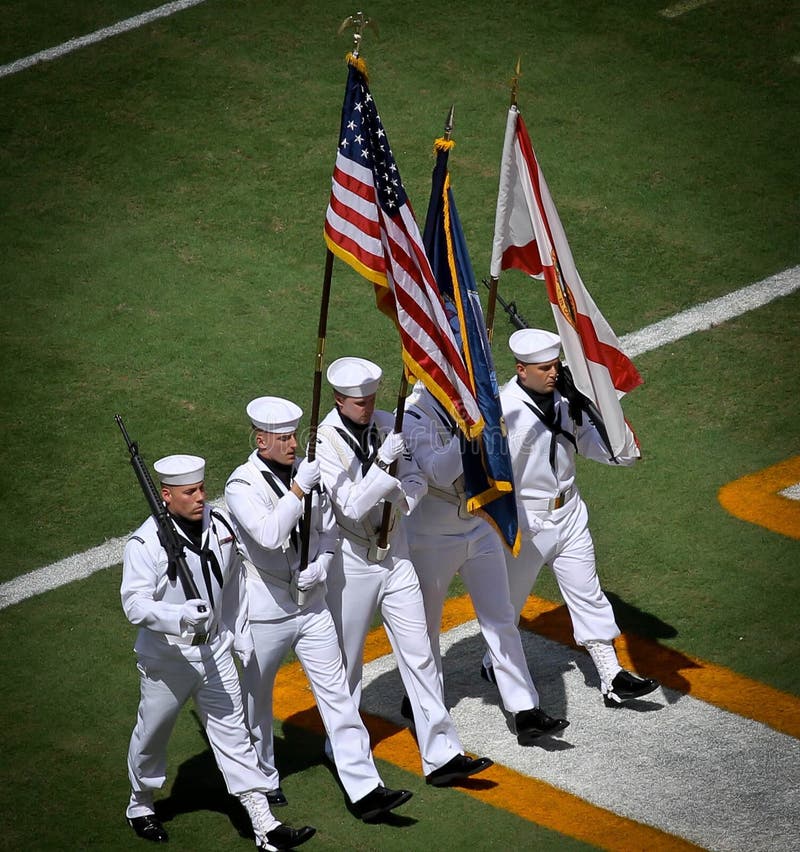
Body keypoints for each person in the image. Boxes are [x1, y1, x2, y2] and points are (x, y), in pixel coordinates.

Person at [224, 396, 412, 822]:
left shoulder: (309, 476)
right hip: (266, 609)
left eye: (295, 435)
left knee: (339, 697)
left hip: (311, 607)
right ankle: (263, 777)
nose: (294, 444)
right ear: (260, 441)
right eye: (284, 438)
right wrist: (296, 491)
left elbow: (328, 534)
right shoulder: (241, 485)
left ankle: (366, 791)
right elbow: (270, 535)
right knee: (257, 699)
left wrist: (324, 564)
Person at [121, 453, 315, 850]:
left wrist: (237, 629)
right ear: (166, 496)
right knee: (152, 735)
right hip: (167, 659)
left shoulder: (221, 524)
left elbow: (237, 580)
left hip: (214, 652)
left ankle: (265, 826)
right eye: (188, 492)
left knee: (235, 737)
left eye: (201, 489)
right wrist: (177, 615)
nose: (198, 497)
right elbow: (134, 604)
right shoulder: (144, 543)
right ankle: (140, 803)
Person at [316, 356, 493, 788]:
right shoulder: (323, 441)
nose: (369, 406)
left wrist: (404, 495)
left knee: (420, 653)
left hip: (395, 555)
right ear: (339, 400)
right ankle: (339, 746)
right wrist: (381, 467)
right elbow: (352, 505)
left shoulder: (385, 422)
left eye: (372, 398)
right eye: (360, 401)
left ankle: (443, 754)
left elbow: (414, 479)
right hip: (354, 562)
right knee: (348, 664)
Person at [492, 328, 659, 707]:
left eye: (555, 366)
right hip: (526, 522)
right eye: (546, 368)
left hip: (569, 513)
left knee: (588, 594)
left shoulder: (565, 399)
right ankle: (493, 661)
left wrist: (607, 431)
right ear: (522, 370)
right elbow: (500, 469)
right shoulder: (504, 409)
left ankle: (612, 676)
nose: (554, 373)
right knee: (506, 606)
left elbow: (586, 442)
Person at [401, 381, 569, 744]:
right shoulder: (414, 417)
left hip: (478, 524)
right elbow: (440, 474)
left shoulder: (471, 402)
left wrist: (486, 421)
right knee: (425, 629)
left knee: (500, 616)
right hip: (433, 537)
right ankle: (420, 703)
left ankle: (525, 711)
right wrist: (469, 427)